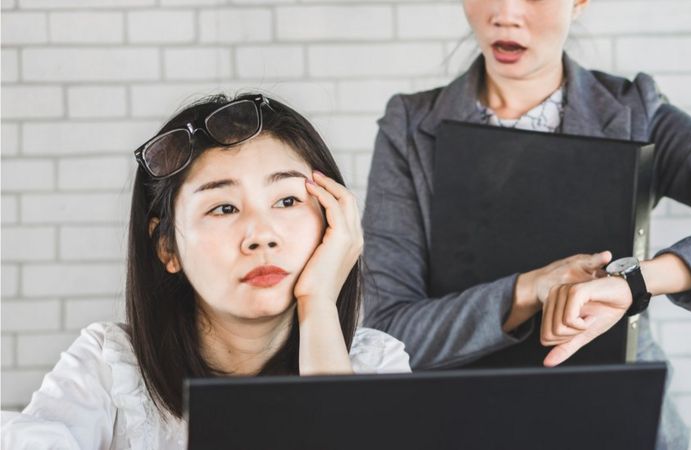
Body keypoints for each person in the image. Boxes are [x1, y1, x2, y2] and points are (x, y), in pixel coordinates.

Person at [361, 1, 691, 449]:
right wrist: (531, 289)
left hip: (617, 422)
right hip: (467, 422)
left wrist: (637, 282)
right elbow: (390, 333)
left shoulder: (635, 112)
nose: (505, 13)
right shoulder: (410, 127)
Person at [2, 93, 410, 449]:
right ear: (167, 246)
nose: (261, 236)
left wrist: (318, 303)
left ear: (332, 221)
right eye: (224, 208)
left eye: (286, 201)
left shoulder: (374, 364)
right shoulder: (109, 366)